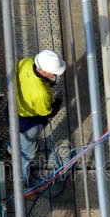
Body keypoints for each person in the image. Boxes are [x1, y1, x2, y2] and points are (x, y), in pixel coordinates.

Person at [11, 49, 66, 185]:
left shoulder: (26, 62)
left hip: (13, 108)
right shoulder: (41, 94)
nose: (54, 75)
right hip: (27, 121)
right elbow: (46, 113)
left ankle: (10, 148)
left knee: (14, 134)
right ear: (44, 71)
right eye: (53, 73)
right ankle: (22, 182)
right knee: (27, 153)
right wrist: (58, 101)